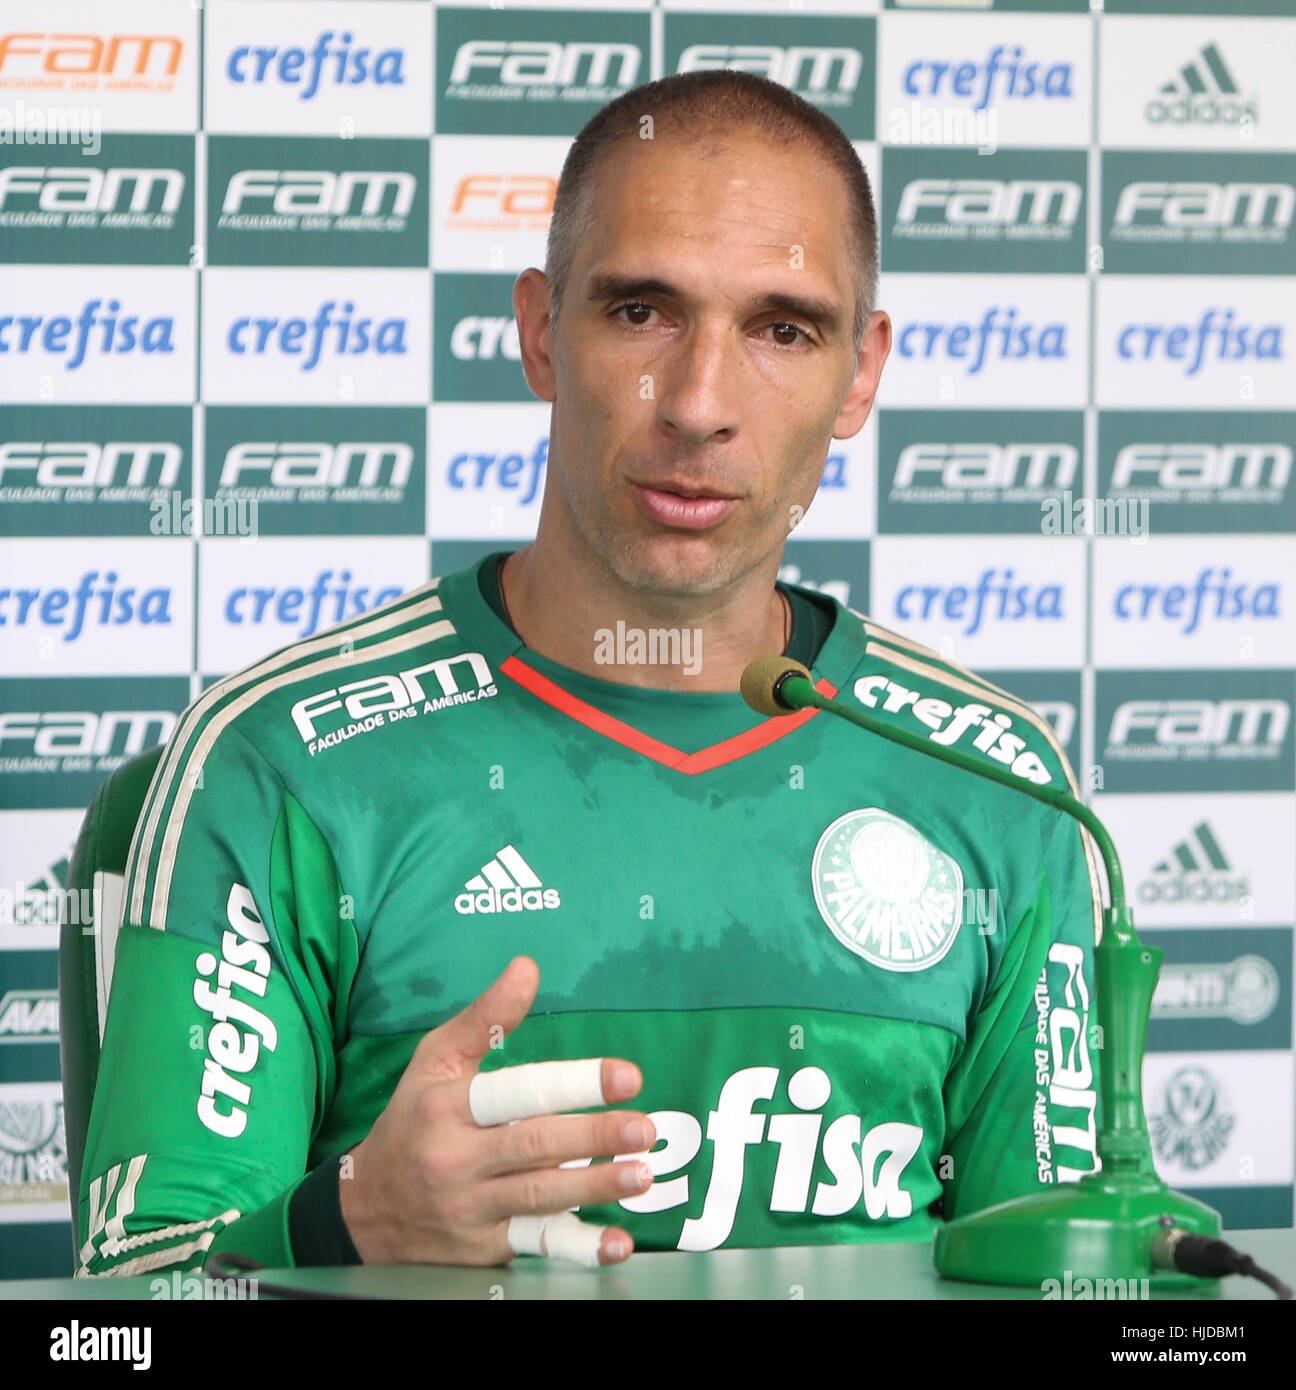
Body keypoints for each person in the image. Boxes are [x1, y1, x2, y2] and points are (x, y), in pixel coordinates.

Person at [75, 69, 1102, 1277]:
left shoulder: (1000, 787)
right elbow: (125, 1311)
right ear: (538, 331)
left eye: (783, 328)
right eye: (641, 313)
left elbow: (1068, 1282)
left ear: (861, 374)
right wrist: (342, 1223)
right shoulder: (279, 768)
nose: (700, 404)